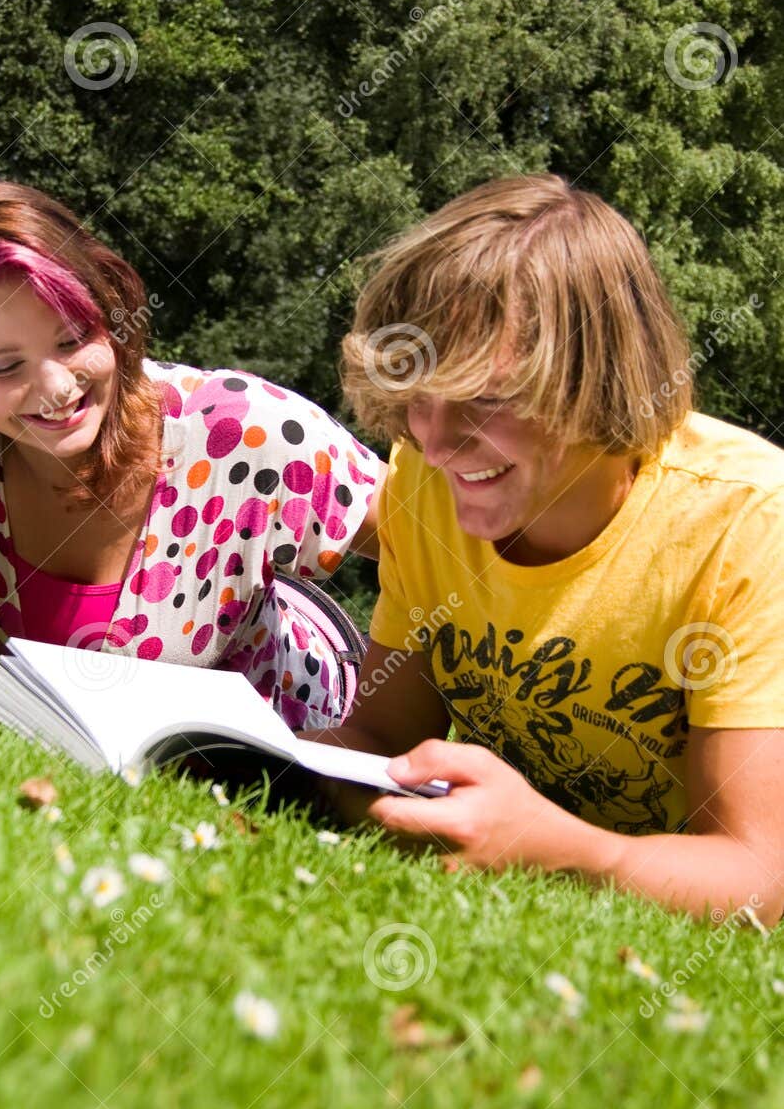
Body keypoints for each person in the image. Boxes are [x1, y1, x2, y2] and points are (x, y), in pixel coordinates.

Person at [312, 173, 784, 922]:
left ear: (597, 377)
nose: (433, 443)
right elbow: (382, 734)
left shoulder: (750, 523)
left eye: (485, 398)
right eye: (416, 396)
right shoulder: (421, 483)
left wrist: (573, 853)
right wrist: (255, 758)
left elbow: (758, 871)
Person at [0, 179, 382, 729]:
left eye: (74, 337)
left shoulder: (245, 428)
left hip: (315, 713)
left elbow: (444, 534)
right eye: (5, 367)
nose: (57, 388)